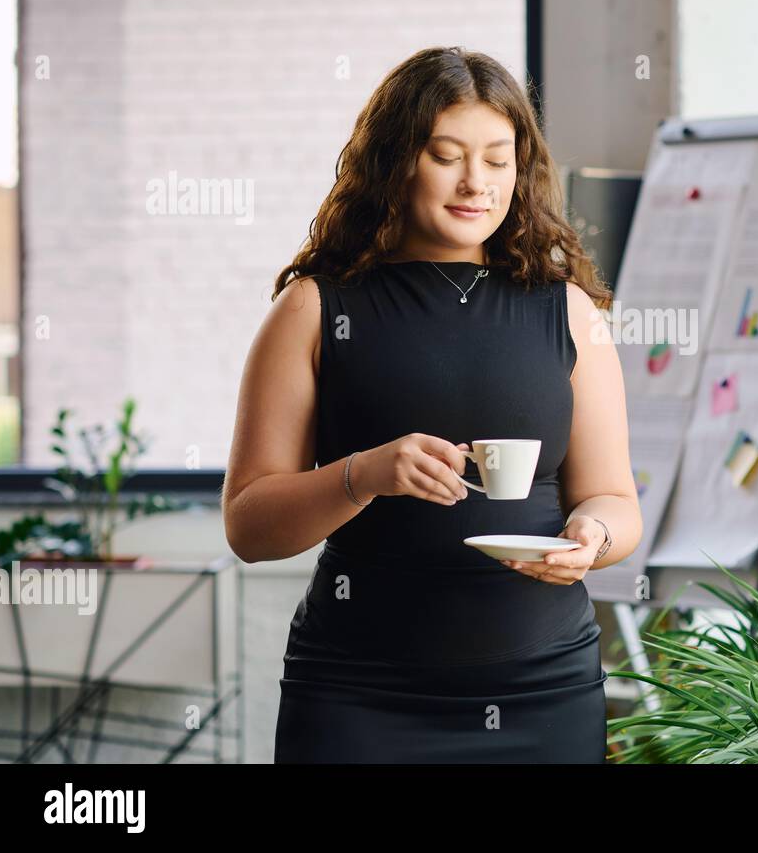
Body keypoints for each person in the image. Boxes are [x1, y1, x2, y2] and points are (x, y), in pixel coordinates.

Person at [222, 46, 642, 763]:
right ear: (394, 162)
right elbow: (249, 526)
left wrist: (592, 539)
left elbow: (614, 499)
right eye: (446, 155)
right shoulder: (315, 310)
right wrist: (365, 474)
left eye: (498, 158)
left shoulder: (568, 313)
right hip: (359, 697)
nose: (476, 182)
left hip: (544, 693)